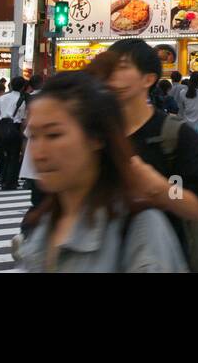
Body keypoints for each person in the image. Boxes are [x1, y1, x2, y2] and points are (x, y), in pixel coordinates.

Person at [17, 73, 187, 273]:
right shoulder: (43, 224)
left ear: (96, 138)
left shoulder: (139, 228)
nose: (38, 153)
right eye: (33, 136)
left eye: (54, 135)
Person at [88, 40, 198, 271]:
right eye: (109, 67)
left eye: (123, 67)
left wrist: (163, 188)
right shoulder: (93, 134)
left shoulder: (174, 136)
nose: (112, 75)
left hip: (161, 258)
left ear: (148, 78)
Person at [0, 77, 29, 191]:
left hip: (2, 126)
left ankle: (3, 179)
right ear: (23, 86)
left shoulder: (2, 98)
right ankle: (10, 182)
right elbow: (23, 117)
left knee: (5, 155)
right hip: (14, 127)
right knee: (14, 156)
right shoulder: (21, 99)